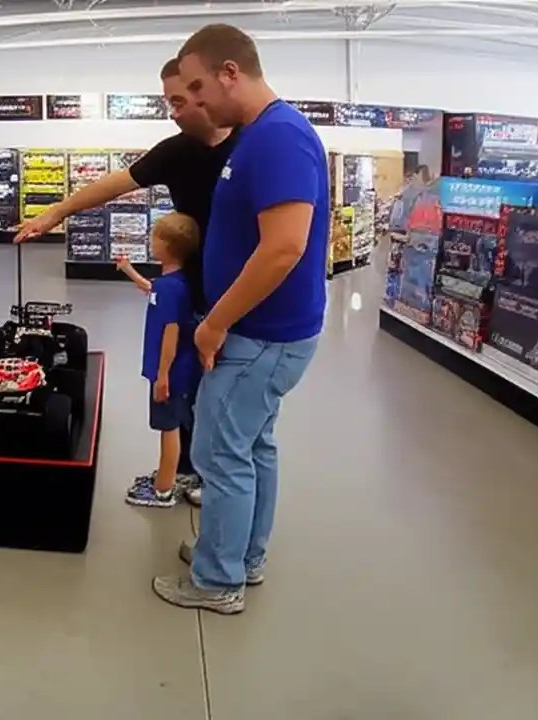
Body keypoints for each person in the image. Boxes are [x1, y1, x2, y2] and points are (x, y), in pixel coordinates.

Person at [151, 24, 329, 615]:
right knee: (253, 446)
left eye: (200, 85)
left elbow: (283, 248)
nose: (194, 100)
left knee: (221, 453)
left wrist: (214, 323)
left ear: (232, 72)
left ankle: (217, 579)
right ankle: (241, 556)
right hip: (265, 335)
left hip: (259, 336)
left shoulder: (279, 137)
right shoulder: (258, 136)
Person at [15, 57, 237, 502]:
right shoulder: (176, 150)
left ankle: (219, 483)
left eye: (180, 99)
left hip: (240, 294)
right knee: (188, 386)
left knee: (228, 397)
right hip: (195, 290)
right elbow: (116, 184)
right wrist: (56, 212)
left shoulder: (253, 144)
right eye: (168, 101)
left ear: (209, 88)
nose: (173, 110)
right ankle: (190, 472)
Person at [115, 213, 203, 508]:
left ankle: (163, 489)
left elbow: (171, 332)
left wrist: (162, 374)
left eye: (155, 237)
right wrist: (129, 271)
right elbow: (153, 290)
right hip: (185, 368)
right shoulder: (176, 283)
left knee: (168, 427)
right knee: (183, 420)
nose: (151, 241)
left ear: (165, 245)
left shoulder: (169, 288)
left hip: (170, 371)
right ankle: (185, 472)